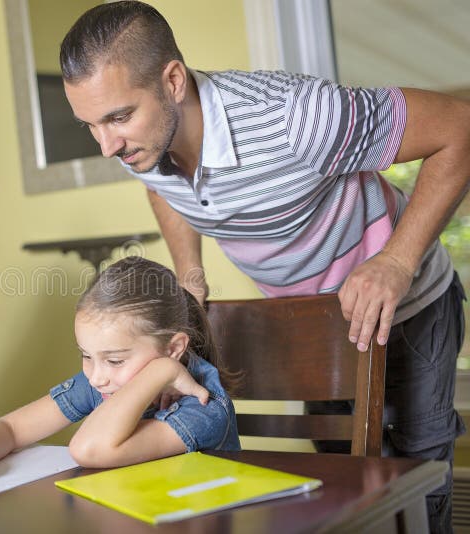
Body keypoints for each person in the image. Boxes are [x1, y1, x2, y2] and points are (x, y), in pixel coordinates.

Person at [59, 2, 470, 531]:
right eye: (90, 124)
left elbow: (459, 128)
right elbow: (166, 190)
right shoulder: (143, 142)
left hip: (409, 304)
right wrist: (190, 270)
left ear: (174, 80)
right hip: (315, 320)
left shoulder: (294, 114)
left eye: (118, 117)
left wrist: (395, 260)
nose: (107, 146)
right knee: (345, 479)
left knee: (417, 473)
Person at [0, 257, 240, 485]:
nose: (96, 377)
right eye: (86, 355)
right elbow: (11, 429)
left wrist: (161, 370)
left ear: (174, 350)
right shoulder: (106, 382)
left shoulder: (204, 407)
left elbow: (89, 449)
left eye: (115, 360)